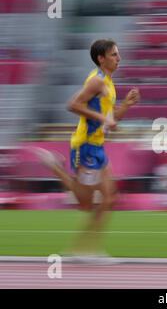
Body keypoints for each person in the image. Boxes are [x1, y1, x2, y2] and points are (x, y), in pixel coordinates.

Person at [34, 39, 140, 261]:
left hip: (98, 146)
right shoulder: (96, 81)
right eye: (114, 55)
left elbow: (112, 120)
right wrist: (103, 118)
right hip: (85, 146)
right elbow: (72, 105)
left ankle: (89, 250)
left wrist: (126, 105)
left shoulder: (109, 84)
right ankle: (55, 166)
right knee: (85, 204)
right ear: (101, 59)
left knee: (110, 200)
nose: (119, 58)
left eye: (118, 54)